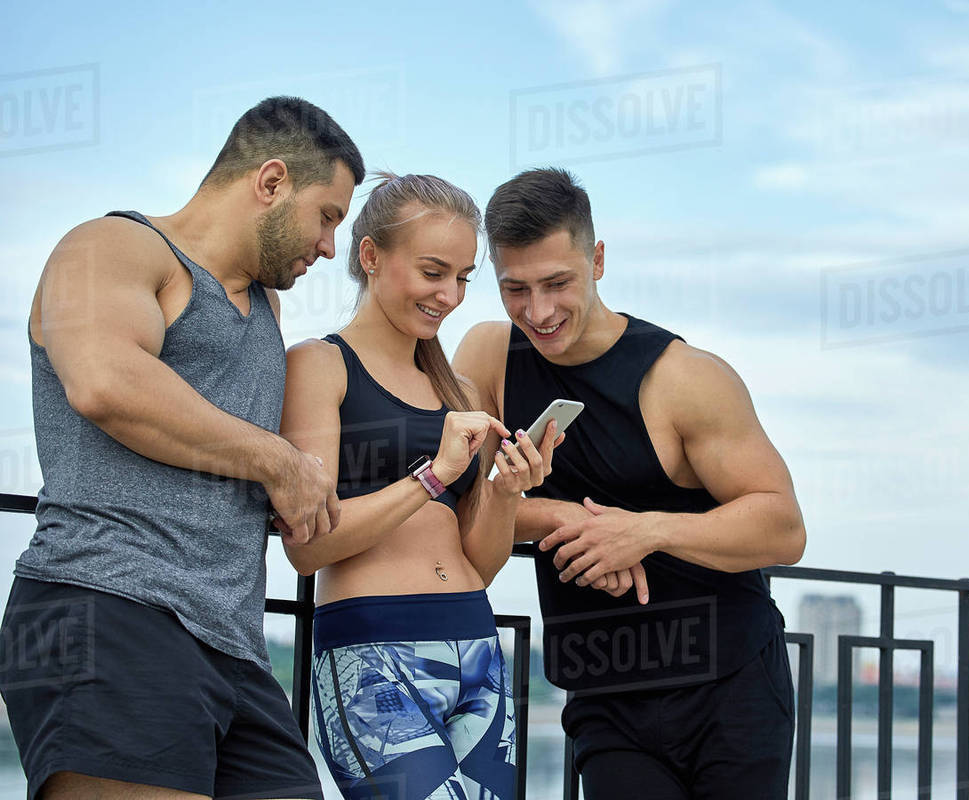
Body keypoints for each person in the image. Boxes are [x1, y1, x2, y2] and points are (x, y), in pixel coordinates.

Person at [0, 96, 364, 800]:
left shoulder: (267, 309)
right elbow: (105, 382)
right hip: (108, 603)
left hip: (234, 647)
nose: (329, 246)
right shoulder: (113, 245)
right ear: (272, 181)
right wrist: (277, 461)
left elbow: (225, 445)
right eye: (327, 216)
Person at [452, 168, 807, 799]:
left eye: (558, 283)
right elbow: (459, 506)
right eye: (516, 289)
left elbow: (784, 527)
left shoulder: (685, 378)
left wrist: (644, 532)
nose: (539, 311)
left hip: (731, 687)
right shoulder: (489, 356)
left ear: (597, 260)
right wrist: (568, 519)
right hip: (603, 691)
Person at [279, 173, 561, 800]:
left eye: (462, 277)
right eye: (434, 272)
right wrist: (433, 476)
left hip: (476, 644)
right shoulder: (319, 365)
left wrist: (506, 492)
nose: (449, 295)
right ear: (370, 256)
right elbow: (307, 547)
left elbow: (479, 565)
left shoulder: (459, 392)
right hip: (371, 650)